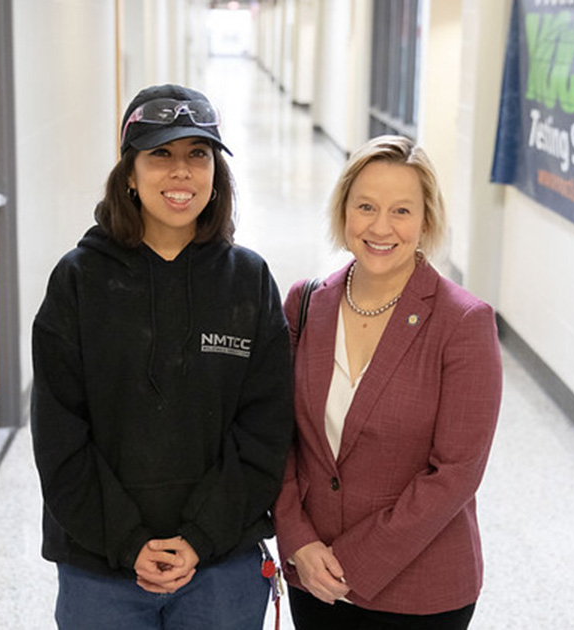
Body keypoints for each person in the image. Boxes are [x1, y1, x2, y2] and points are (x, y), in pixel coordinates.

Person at [30, 84, 295, 630]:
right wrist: (128, 542)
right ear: (129, 172)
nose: (181, 173)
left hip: (220, 567)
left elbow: (265, 431)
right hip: (99, 566)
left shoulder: (248, 281)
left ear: (216, 173)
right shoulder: (78, 281)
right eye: (161, 155)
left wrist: (200, 538)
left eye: (198, 155)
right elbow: (59, 436)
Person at [274, 135, 503, 629]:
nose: (381, 227)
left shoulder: (463, 322)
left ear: (426, 221)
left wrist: (350, 563)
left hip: (421, 593)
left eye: (402, 211)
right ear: (344, 212)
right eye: (366, 207)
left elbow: (456, 473)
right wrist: (298, 542)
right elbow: (277, 437)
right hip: (314, 580)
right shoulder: (306, 303)